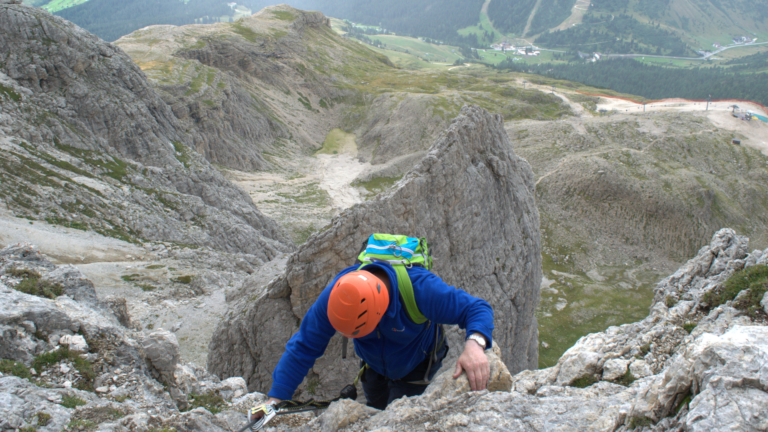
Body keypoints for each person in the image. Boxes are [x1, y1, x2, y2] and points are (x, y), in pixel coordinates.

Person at [254, 259, 494, 416]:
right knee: (376, 410)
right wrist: (275, 402)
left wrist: (475, 346)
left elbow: (477, 308)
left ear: (381, 313)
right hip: (373, 367)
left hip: (415, 368)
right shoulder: (338, 296)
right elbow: (303, 347)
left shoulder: (421, 290)